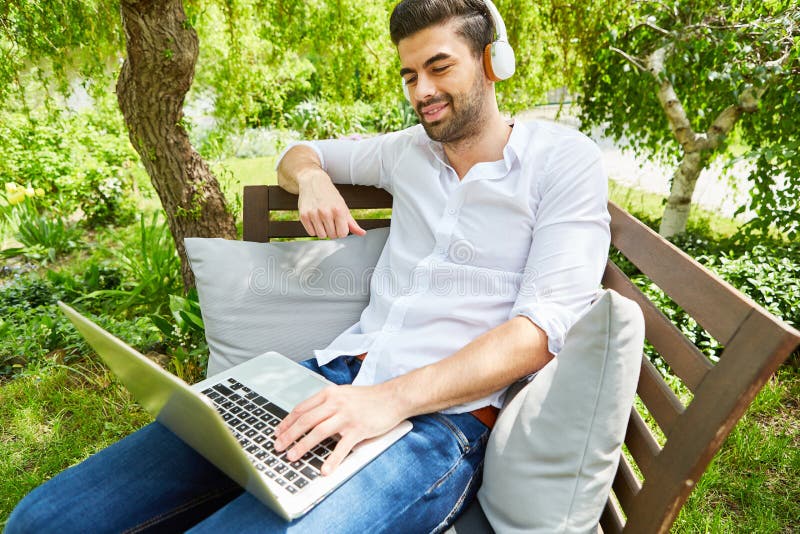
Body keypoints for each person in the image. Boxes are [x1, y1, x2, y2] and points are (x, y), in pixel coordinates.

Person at [6, 0, 610, 532]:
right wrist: (314, 179)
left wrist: (387, 401)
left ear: (489, 61)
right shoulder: (407, 152)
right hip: (326, 379)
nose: (421, 90)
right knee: (40, 520)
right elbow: (299, 153)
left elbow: (538, 333)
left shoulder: (562, 163)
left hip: (439, 429)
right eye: (409, 74)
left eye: (439, 66)